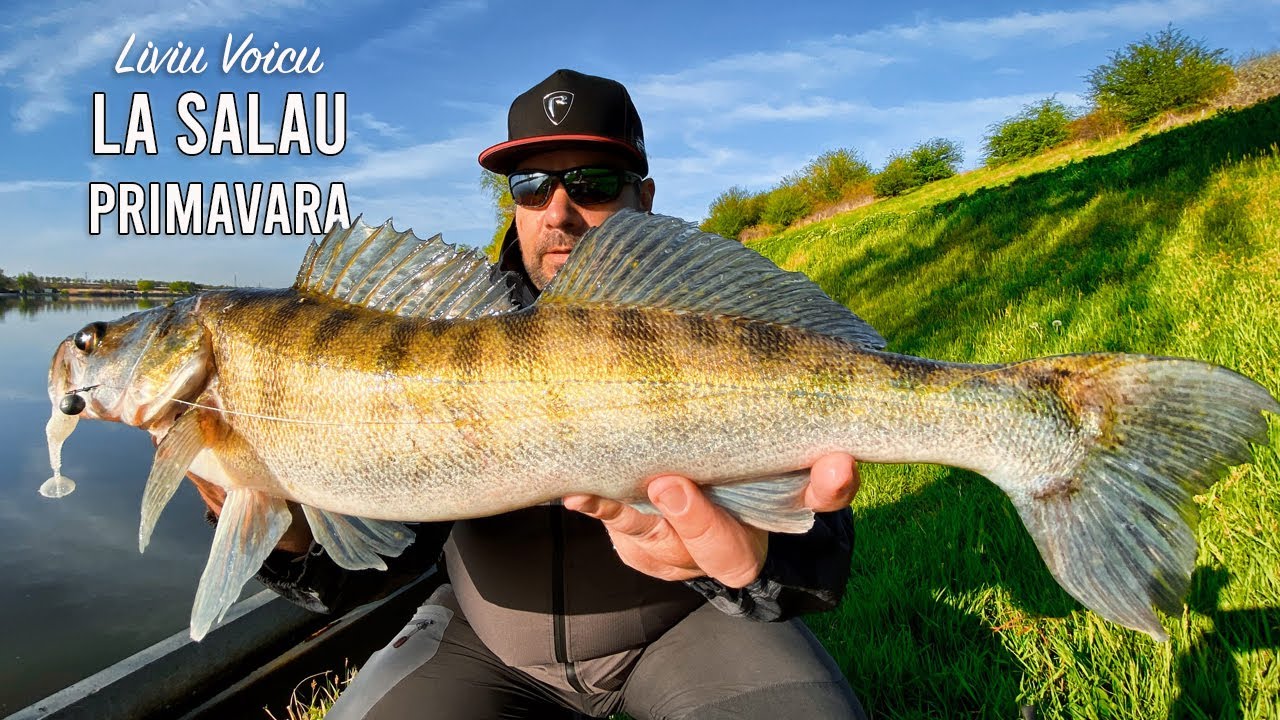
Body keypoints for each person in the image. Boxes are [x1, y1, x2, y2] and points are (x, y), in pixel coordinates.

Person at [197, 69, 868, 719]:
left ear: (645, 195)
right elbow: (375, 561)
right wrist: (283, 533)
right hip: (483, 638)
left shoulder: (707, 327)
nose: (559, 211)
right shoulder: (436, 335)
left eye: (593, 182)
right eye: (531, 185)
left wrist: (755, 553)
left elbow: (822, 540)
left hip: (688, 621)